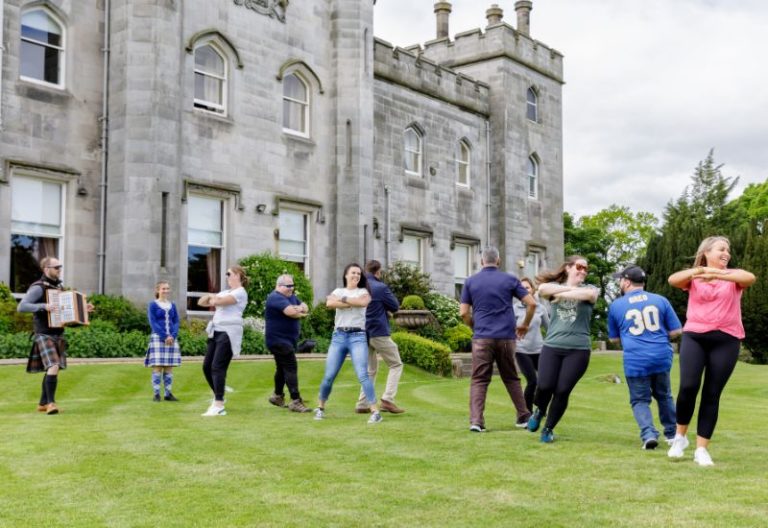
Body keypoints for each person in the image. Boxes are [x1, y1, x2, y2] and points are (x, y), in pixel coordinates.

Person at [666, 236, 756, 466]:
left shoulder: (733, 276)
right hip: (695, 336)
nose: (727, 253)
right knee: (688, 386)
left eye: (728, 250)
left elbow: (750, 278)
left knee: (712, 393)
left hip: (727, 340)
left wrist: (718, 274)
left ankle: (701, 449)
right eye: (721, 249)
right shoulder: (694, 277)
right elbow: (673, 280)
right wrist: (701, 271)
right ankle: (680, 437)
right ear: (706, 252)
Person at [459, 246, 537, 432]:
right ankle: (523, 417)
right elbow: (532, 303)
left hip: (482, 337)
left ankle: (476, 422)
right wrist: (525, 324)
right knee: (511, 378)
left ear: (481, 261)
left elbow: (463, 313)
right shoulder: (510, 279)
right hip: (506, 337)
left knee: (479, 379)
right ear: (499, 261)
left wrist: (474, 326)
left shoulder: (470, 281)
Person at [607, 265, 682, 450]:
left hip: (636, 359)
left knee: (639, 400)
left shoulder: (617, 305)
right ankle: (672, 434)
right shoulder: (660, 300)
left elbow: (613, 339)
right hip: (661, 356)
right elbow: (676, 330)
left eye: (620, 280)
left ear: (626, 282)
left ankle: (648, 434)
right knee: (664, 396)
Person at [527, 255, 599, 443]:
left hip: (578, 350)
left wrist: (560, 294)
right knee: (545, 385)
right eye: (580, 267)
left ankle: (548, 428)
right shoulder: (554, 287)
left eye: (586, 269)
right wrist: (571, 291)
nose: (583, 271)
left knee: (562, 390)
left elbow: (590, 296)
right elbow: (543, 289)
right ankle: (540, 410)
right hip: (552, 346)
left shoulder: (591, 289)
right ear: (568, 267)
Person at [17, 256, 93, 414]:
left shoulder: (59, 288)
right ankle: (51, 404)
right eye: (56, 267)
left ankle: (42, 403)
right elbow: (22, 307)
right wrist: (44, 306)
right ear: (46, 269)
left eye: (60, 267)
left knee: (52, 368)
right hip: (44, 333)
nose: (59, 269)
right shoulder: (39, 287)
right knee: (53, 365)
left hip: (58, 333)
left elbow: (67, 315)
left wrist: (84, 310)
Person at [315, 263, 382, 424]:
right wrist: (351, 302)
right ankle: (320, 408)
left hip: (357, 336)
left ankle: (375, 412)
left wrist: (343, 300)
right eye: (353, 273)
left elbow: (363, 302)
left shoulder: (363, 292)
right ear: (346, 275)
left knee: (362, 374)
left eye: (358, 273)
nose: (356, 276)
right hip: (338, 336)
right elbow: (329, 303)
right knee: (329, 375)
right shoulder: (338, 290)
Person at [354, 260, 406, 414]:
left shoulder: (358, 288)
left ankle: (362, 403)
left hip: (361, 332)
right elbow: (395, 306)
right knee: (396, 364)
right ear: (378, 272)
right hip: (378, 331)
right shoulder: (380, 287)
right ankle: (388, 399)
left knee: (370, 369)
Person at [197, 265, 249, 417]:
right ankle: (218, 395)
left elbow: (219, 302)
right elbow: (202, 302)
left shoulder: (241, 292)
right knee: (207, 366)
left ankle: (219, 405)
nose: (227, 276)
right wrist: (211, 296)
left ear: (238, 275)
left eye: (229, 273)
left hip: (229, 332)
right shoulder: (225, 292)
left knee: (217, 366)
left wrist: (214, 298)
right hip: (216, 331)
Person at [265, 274, 312, 413]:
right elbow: (290, 312)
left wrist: (299, 309)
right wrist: (298, 310)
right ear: (279, 286)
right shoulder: (275, 297)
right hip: (278, 340)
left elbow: (305, 306)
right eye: (288, 286)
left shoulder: (290, 297)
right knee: (291, 367)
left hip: (286, 340)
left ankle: (277, 396)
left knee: (281, 368)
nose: (291, 288)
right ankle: (295, 400)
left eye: (292, 285)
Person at [513, 277, 549, 414]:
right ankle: (527, 413)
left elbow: (550, 329)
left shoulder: (541, 308)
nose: (524, 290)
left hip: (539, 350)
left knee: (545, 382)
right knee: (532, 381)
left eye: (527, 287)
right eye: (521, 288)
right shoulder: (514, 309)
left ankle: (540, 407)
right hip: (521, 350)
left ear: (533, 290)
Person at [145, 281, 182, 402]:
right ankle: (156, 394)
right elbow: (153, 322)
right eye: (163, 289)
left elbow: (176, 321)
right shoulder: (153, 305)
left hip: (171, 338)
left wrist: (173, 335)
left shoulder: (172, 305)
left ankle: (168, 394)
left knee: (168, 366)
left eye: (167, 288)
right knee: (157, 366)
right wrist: (165, 336)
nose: (166, 291)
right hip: (158, 337)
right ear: (158, 290)